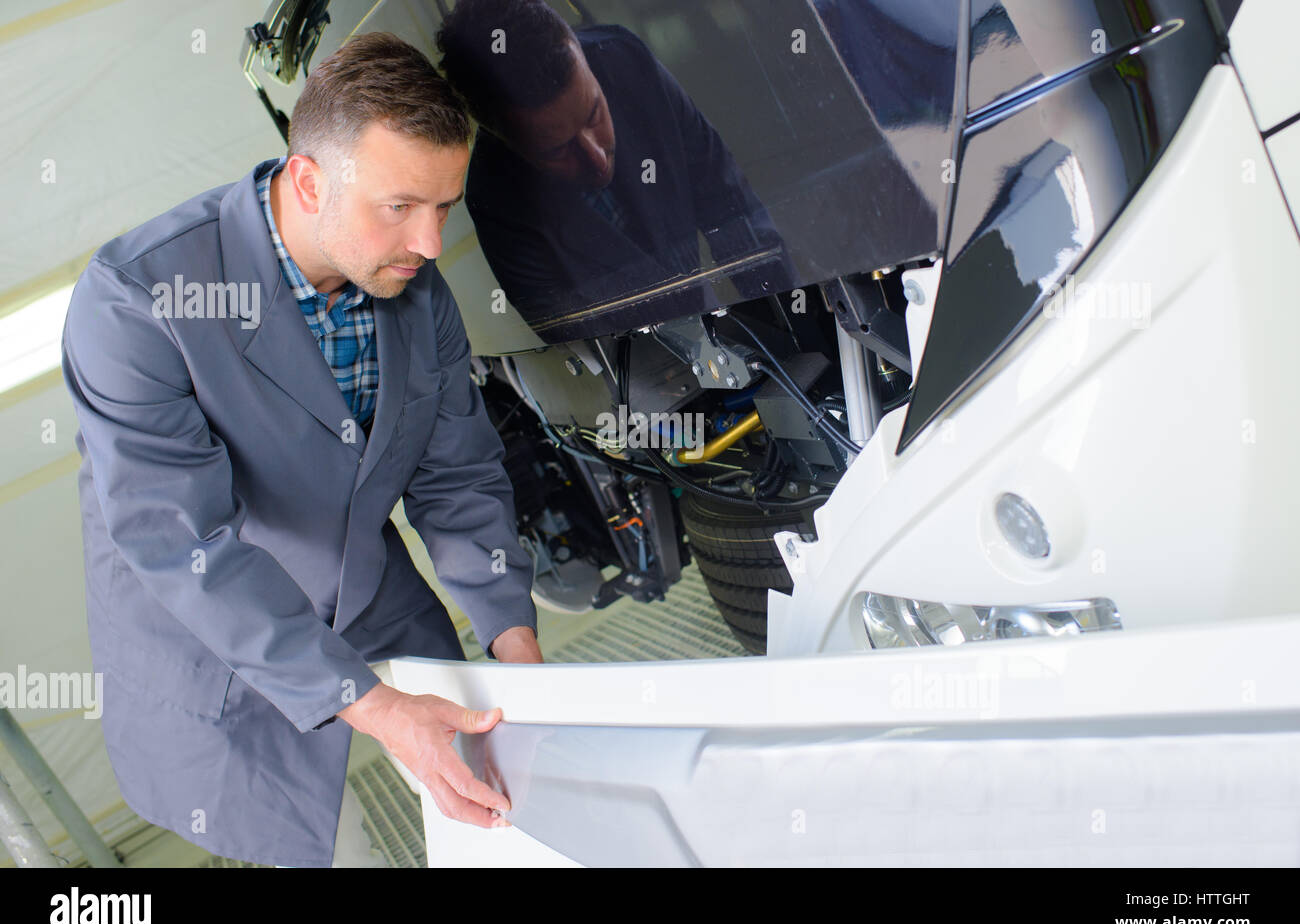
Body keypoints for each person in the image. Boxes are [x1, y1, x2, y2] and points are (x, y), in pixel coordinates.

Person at [60, 32, 542, 868]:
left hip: (363, 585)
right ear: (309, 179)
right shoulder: (138, 301)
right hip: (215, 634)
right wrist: (375, 705)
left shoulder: (411, 286)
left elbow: (458, 477)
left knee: (498, 778)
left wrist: (515, 640)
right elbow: (185, 548)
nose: (431, 246)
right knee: (316, 845)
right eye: (399, 206)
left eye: (445, 208)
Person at [435, 0, 800, 339]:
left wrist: (793, 325)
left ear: (578, 52)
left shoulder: (624, 61)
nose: (596, 157)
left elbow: (727, 200)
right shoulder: (499, 206)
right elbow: (582, 340)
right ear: (504, 138)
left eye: (594, 113)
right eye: (559, 150)